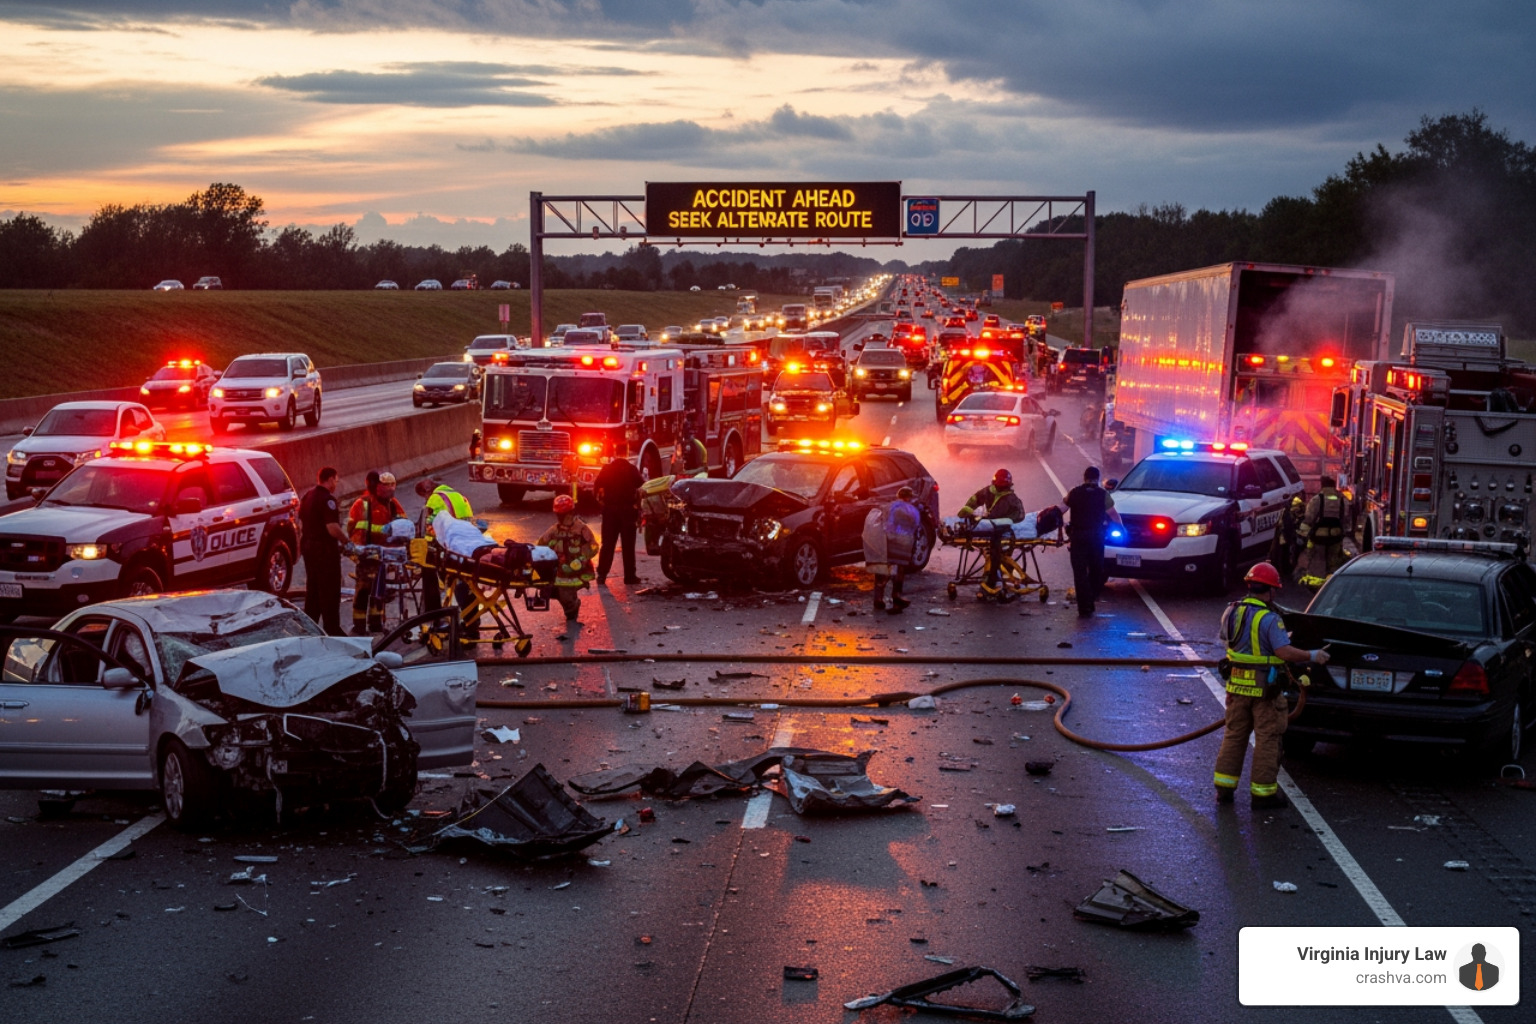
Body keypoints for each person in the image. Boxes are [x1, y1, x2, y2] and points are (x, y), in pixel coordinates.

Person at [1213, 561, 1329, 810]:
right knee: (1268, 738)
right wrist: (1312, 655)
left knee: (1234, 736)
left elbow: (1226, 642)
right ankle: (1263, 795)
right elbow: (1284, 651)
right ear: (1271, 591)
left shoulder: (1231, 611)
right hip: (1266, 689)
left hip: (1236, 687)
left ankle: (1224, 789)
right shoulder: (1270, 619)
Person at [348, 470, 406, 635]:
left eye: (391, 485)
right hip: (366, 554)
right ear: (376, 486)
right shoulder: (362, 504)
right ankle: (359, 626)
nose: (389, 489)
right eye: (385, 485)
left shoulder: (392, 503)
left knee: (379, 590)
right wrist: (359, 552)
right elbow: (352, 529)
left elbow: (403, 522)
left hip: (384, 554)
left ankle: (376, 624)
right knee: (364, 591)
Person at [1061, 466, 1122, 618]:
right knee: (1096, 570)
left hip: (1078, 536)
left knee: (1079, 573)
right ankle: (1091, 598)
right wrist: (1123, 528)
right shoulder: (1103, 494)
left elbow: (1061, 509)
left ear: (1084, 477)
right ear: (1098, 478)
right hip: (1096, 537)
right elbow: (1113, 514)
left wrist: (1057, 524)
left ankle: (1084, 607)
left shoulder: (1074, 492)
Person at [960, 468, 1026, 594]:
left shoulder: (1010, 498)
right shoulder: (989, 492)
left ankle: (993, 578)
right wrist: (967, 513)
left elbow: (1019, 516)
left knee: (998, 551)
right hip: (990, 526)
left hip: (998, 529)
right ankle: (994, 577)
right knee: (996, 551)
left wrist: (1004, 522)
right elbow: (973, 501)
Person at [299, 466, 347, 635]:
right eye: (336, 480)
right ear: (331, 479)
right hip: (324, 551)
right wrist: (347, 543)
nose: (336, 484)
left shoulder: (308, 496)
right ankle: (332, 629)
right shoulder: (328, 500)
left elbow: (302, 523)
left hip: (309, 549)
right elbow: (332, 527)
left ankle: (309, 629)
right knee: (330, 591)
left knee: (313, 590)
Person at [415, 477, 475, 613]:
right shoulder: (458, 495)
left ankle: (435, 613)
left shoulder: (435, 498)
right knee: (464, 582)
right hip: (466, 544)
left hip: (448, 545)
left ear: (427, 490)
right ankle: (469, 617)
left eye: (424, 496)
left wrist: (426, 546)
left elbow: (430, 527)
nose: (425, 499)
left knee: (432, 570)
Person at [538, 494, 598, 622]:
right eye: (558, 515)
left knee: (566, 593)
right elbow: (541, 544)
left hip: (576, 569)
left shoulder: (581, 528)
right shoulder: (554, 530)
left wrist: (582, 559)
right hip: (560, 569)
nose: (560, 518)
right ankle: (571, 607)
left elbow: (593, 546)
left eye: (562, 514)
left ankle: (572, 608)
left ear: (571, 513)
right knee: (553, 590)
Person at [594, 456, 645, 585]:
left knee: (608, 544)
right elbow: (641, 485)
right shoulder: (631, 469)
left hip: (609, 511)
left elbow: (596, 486)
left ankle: (602, 575)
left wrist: (602, 503)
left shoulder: (607, 469)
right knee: (628, 546)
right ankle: (629, 576)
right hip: (628, 511)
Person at [1295, 476, 1347, 588]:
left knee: (1317, 563)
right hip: (1336, 538)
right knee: (1334, 563)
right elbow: (1345, 519)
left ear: (1322, 486)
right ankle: (1333, 586)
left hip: (1319, 539)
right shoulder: (1342, 500)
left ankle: (1317, 588)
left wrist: (1301, 536)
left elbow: (1308, 519)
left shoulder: (1317, 500)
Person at [1269, 493, 1306, 581]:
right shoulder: (1288, 512)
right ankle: (1285, 571)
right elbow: (1289, 527)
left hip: (1287, 534)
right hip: (1285, 535)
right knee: (1283, 553)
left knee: (1286, 552)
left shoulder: (1292, 508)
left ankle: (1286, 570)